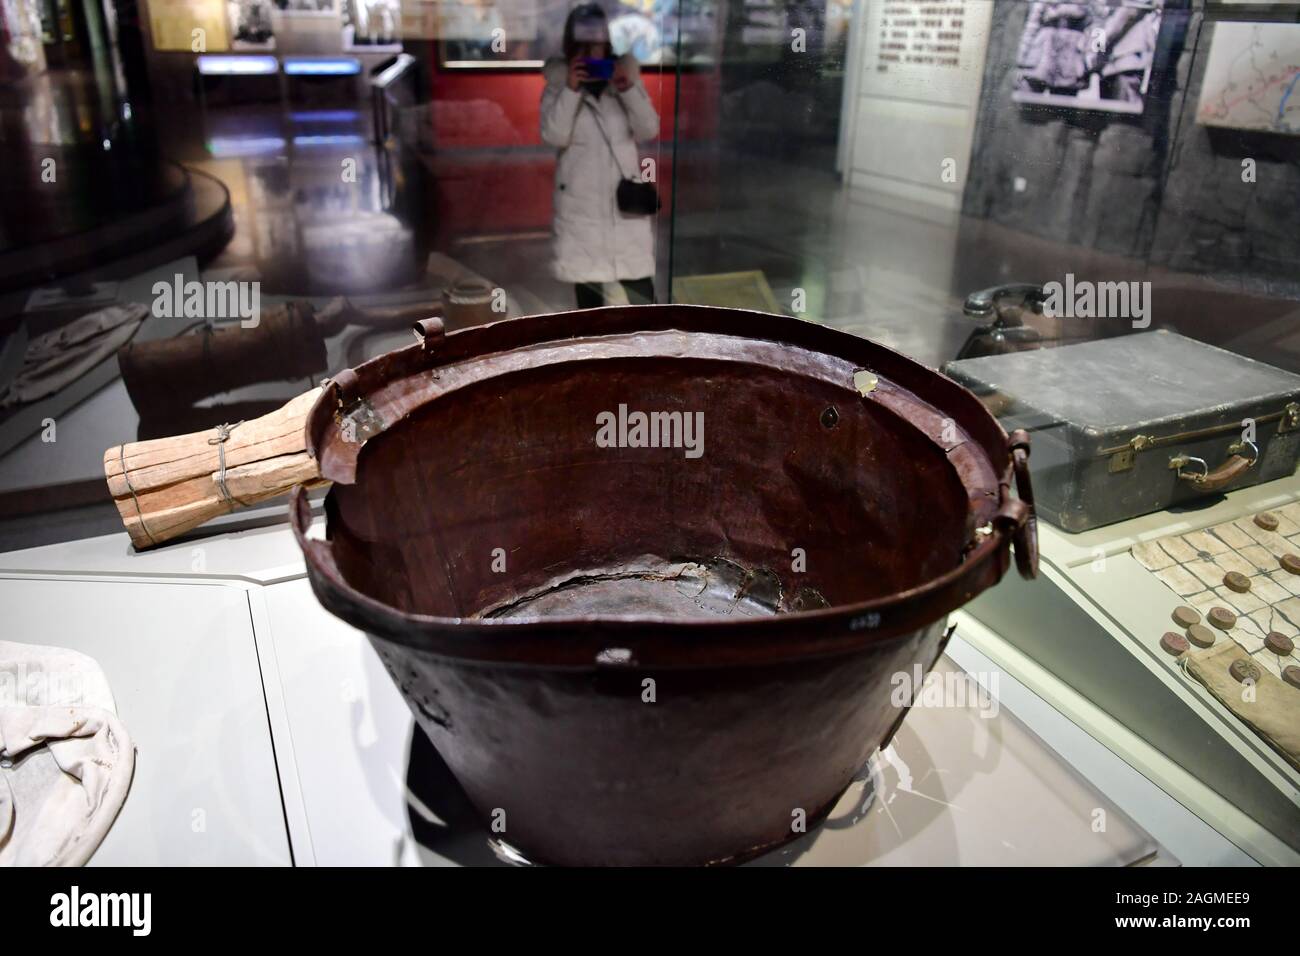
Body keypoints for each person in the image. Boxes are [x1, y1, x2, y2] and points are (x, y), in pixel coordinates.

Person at [540, 4, 660, 309]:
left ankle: (651, 354)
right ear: (572, 44)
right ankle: (598, 356)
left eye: (599, 42)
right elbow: (554, 135)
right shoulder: (558, 83)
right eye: (585, 43)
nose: (594, 51)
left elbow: (648, 129)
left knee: (643, 302)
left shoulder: (625, 76)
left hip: (624, 206)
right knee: (591, 312)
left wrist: (628, 88)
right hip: (581, 209)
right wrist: (570, 89)